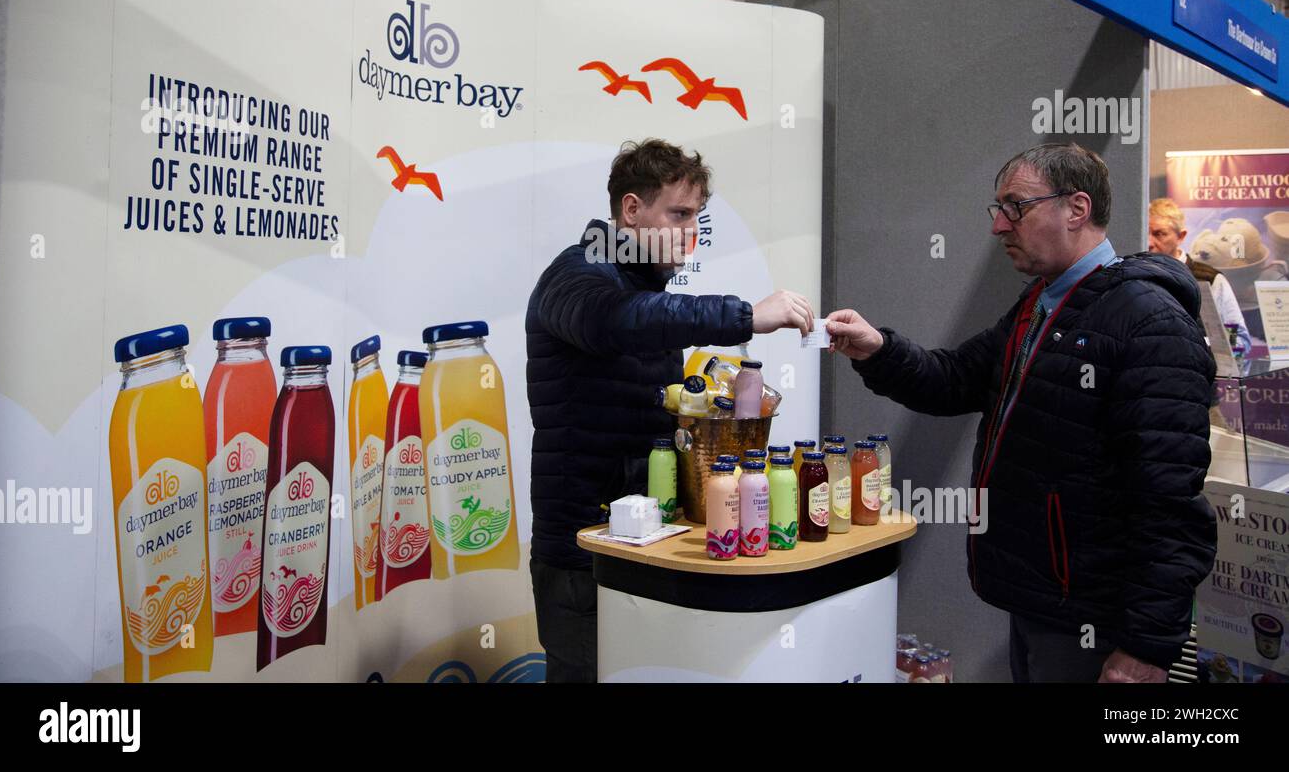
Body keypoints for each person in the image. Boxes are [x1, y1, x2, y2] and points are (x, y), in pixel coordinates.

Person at [826, 143, 1217, 683]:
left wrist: (1145, 648)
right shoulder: (1044, 303)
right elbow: (954, 380)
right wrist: (877, 348)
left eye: (1016, 206)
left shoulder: (1148, 321)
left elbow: (1168, 501)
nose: (999, 227)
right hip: (1041, 601)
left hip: (1095, 623)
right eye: (999, 209)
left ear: (1076, 209)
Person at [525, 138, 815, 682]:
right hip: (581, 551)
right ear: (631, 209)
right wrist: (745, 316)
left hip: (643, 536)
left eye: (697, 217)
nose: (691, 232)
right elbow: (613, 321)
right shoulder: (577, 274)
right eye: (678, 214)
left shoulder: (643, 288)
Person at [1148, 197, 1251, 357]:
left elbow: (1240, 341)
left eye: (1159, 234)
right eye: (1145, 232)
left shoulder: (1209, 280)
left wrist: (1197, 345)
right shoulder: (1134, 274)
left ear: (1181, 236)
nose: (1150, 242)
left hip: (1198, 377)